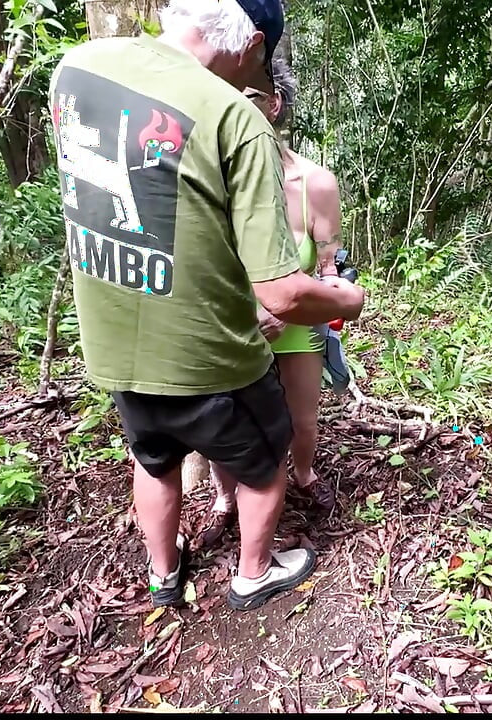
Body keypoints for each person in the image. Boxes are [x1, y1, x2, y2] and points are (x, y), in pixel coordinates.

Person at [48, 0, 364, 612]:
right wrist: (346, 299)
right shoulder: (232, 116)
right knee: (265, 461)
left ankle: (163, 576)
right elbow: (283, 292)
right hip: (207, 353)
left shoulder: (77, 67)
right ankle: (253, 573)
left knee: (155, 459)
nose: (258, 79)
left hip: (113, 344)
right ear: (250, 44)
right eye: (262, 62)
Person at [194, 58, 346, 551]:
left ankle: (303, 475)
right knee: (227, 421)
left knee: (302, 419)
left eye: (244, 97)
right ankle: (224, 498)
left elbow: (328, 267)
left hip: (296, 321)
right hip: (232, 323)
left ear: (272, 105)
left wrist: (327, 305)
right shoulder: (202, 177)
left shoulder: (315, 183)